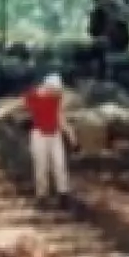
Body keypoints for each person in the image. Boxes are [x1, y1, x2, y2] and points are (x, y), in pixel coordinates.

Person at [22, 73, 74, 205]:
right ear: (48, 86)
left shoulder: (57, 98)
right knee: (41, 165)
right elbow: (18, 104)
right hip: (39, 134)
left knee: (59, 164)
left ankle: (63, 193)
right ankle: (42, 195)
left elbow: (60, 116)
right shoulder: (33, 95)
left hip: (54, 134)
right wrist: (0, 113)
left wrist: (71, 135)